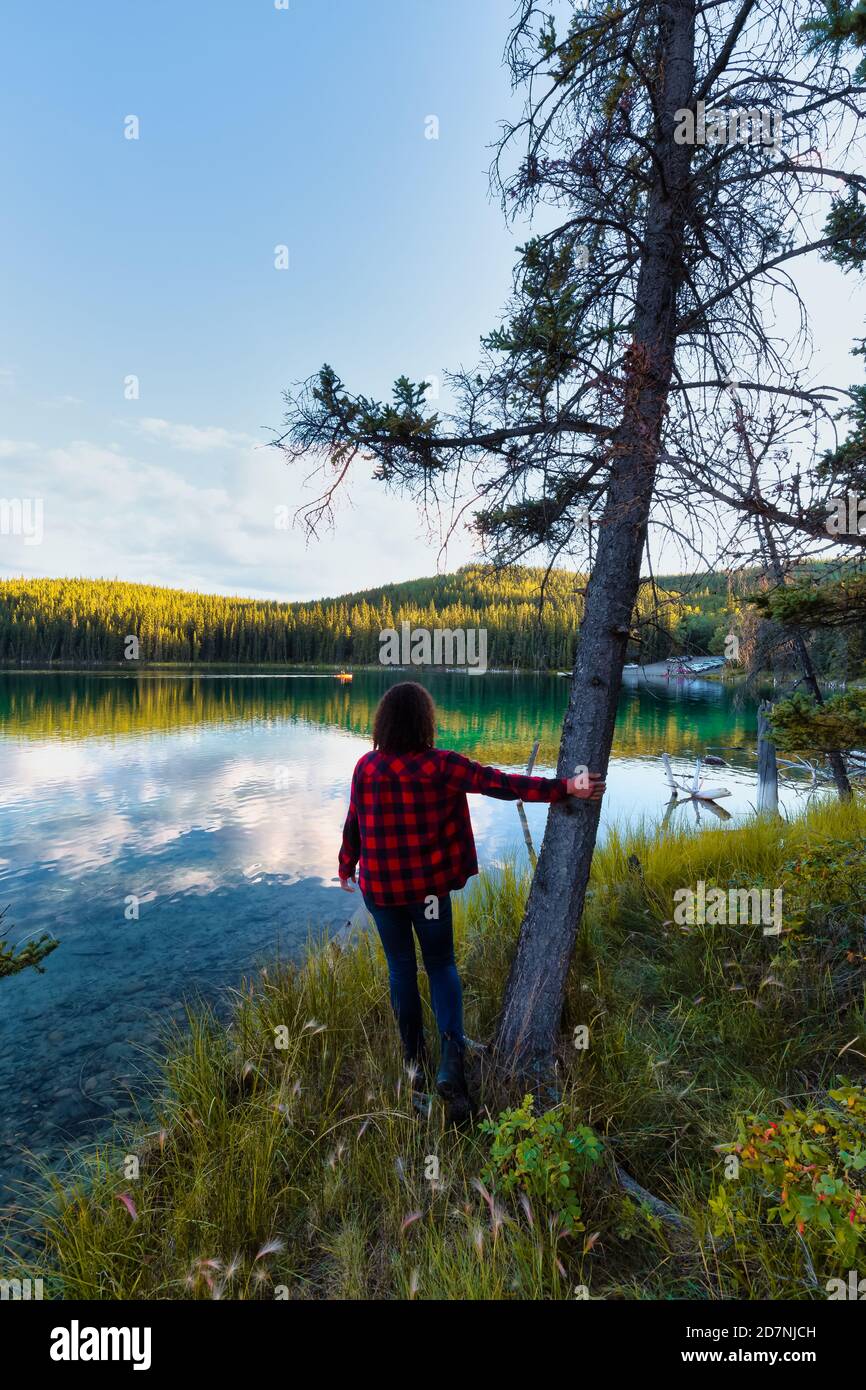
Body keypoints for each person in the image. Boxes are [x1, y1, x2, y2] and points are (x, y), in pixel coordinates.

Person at [338, 681, 605, 1114]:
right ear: (425, 722)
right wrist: (564, 788)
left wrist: (346, 865)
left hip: (382, 891)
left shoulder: (366, 767)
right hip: (426, 892)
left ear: (383, 723)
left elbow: (354, 821)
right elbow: (501, 784)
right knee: (441, 964)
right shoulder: (442, 765)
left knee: (401, 970)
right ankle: (450, 1060)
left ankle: (413, 1062)